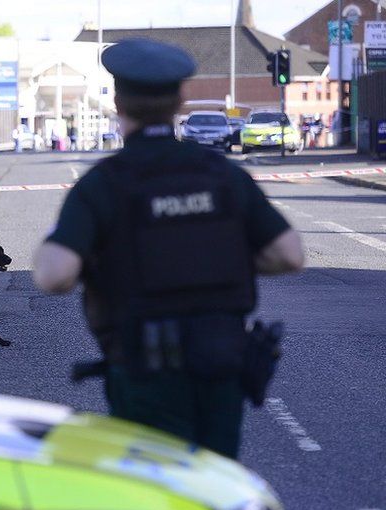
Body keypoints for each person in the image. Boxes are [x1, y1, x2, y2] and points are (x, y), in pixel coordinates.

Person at [33, 39, 305, 459]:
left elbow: (54, 275)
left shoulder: (104, 185)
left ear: (119, 103)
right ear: (180, 101)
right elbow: (289, 254)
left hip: (145, 373)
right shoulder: (223, 176)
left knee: (155, 494)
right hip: (221, 365)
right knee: (215, 487)